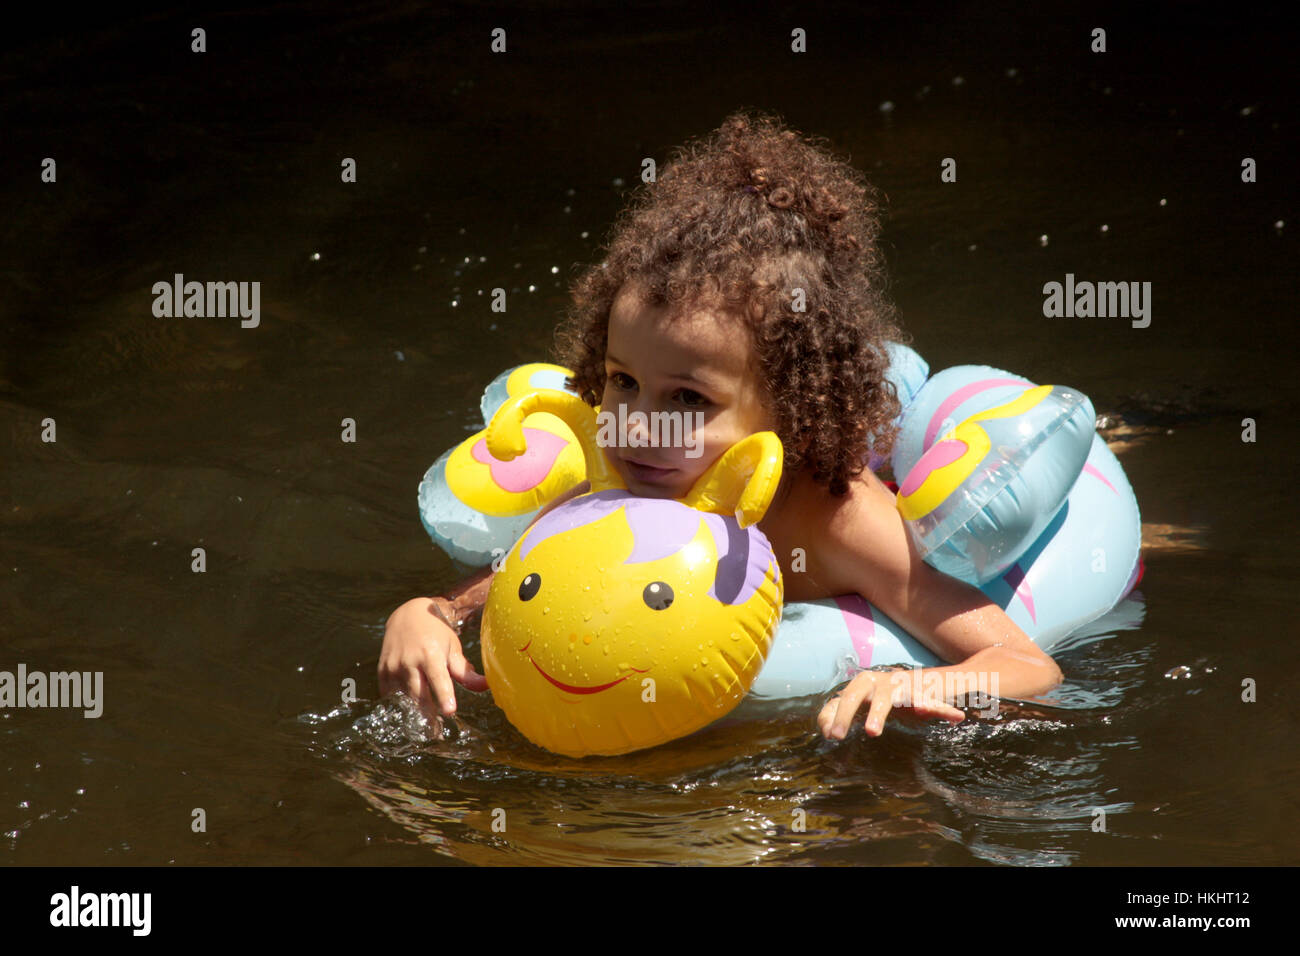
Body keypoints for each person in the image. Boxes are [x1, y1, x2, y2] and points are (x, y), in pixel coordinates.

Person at [379, 110, 1063, 741]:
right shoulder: (612, 479)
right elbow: (485, 591)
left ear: (791, 406)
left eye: (688, 400)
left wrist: (911, 680)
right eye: (623, 382)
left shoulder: (835, 522)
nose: (639, 429)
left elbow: (1027, 666)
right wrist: (422, 615)